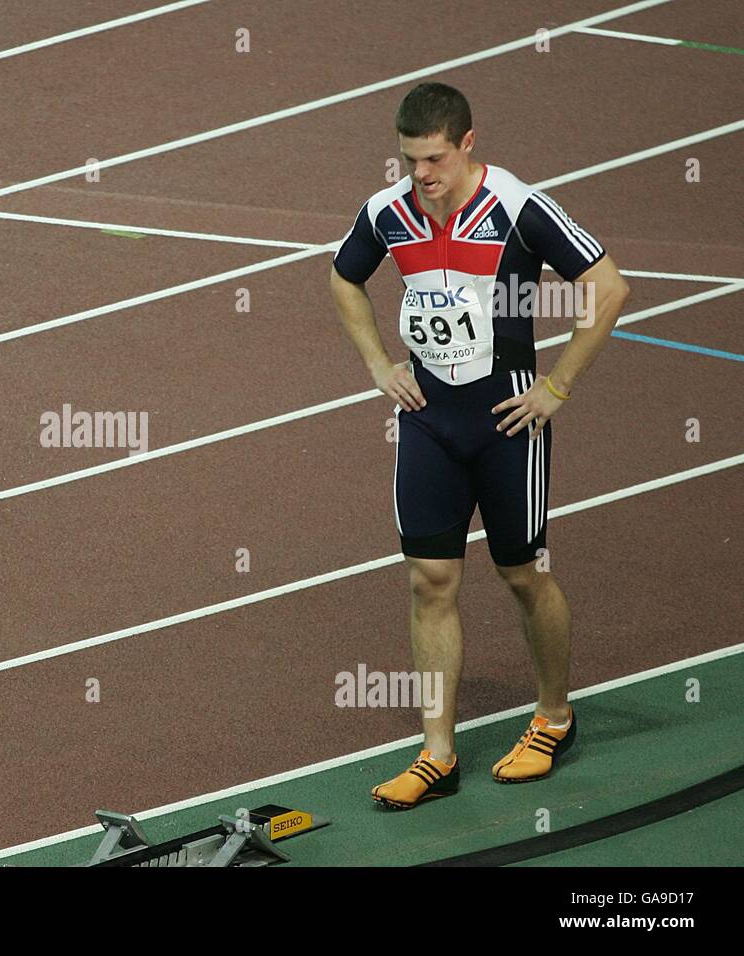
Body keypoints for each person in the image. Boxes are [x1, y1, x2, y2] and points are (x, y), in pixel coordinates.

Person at [328, 82, 630, 809]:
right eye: (408, 160)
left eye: (432, 159)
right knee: (428, 581)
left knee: (522, 575)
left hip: (505, 421)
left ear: (468, 143)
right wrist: (377, 365)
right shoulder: (388, 212)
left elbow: (609, 286)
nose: (420, 175)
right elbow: (344, 278)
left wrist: (555, 387)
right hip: (429, 419)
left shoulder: (519, 207)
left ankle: (555, 717)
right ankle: (438, 754)